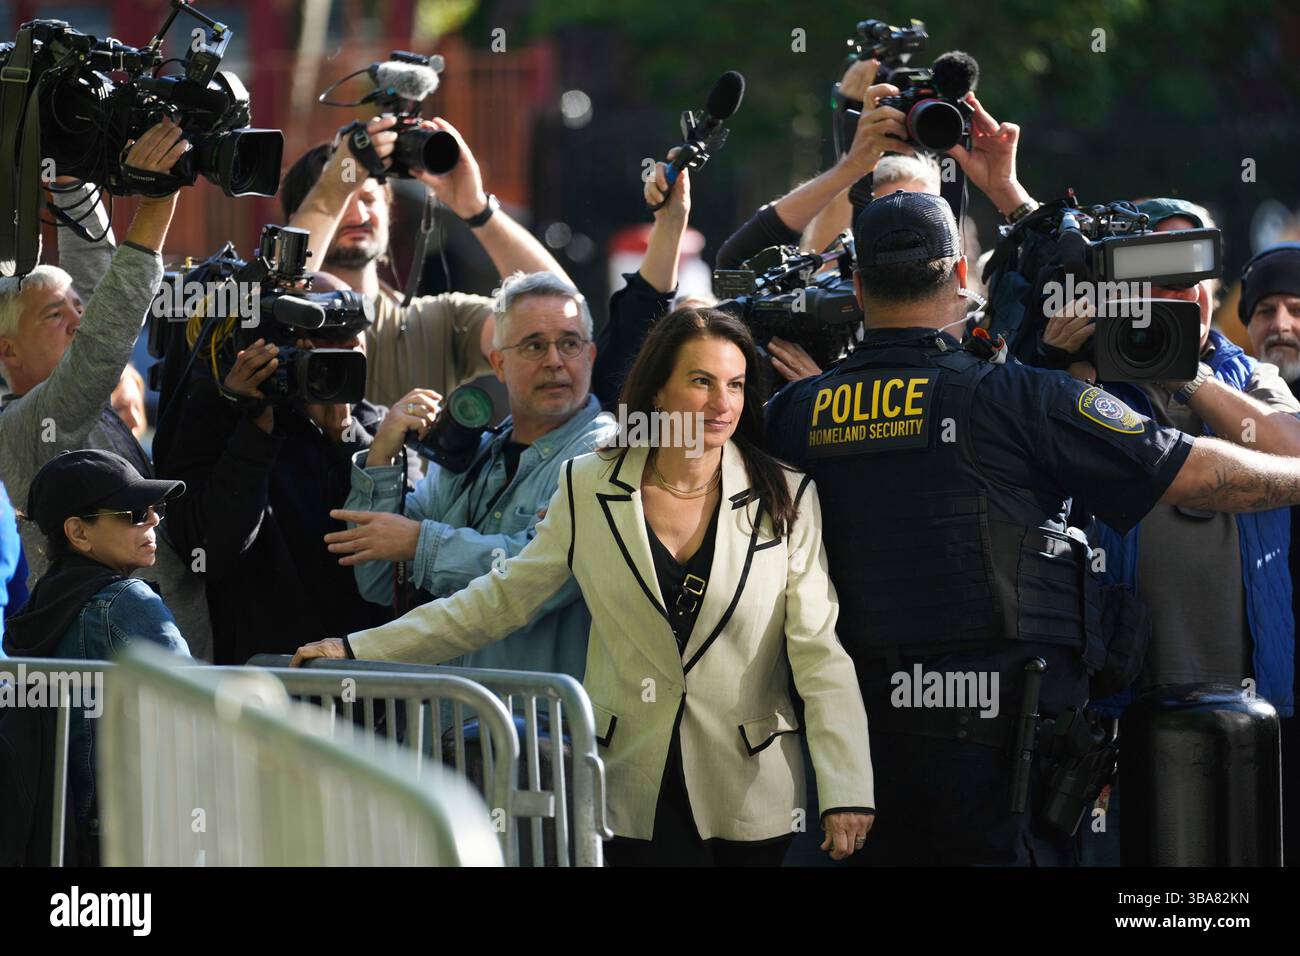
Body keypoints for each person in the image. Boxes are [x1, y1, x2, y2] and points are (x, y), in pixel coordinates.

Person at [764, 190, 1300, 866]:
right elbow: (1201, 475)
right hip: (1000, 777)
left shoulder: (789, 414)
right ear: (961, 276)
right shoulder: (1017, 399)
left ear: (860, 285)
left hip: (848, 772)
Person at [297, 308, 875, 866]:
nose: (722, 404)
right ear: (659, 392)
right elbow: (495, 603)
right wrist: (356, 649)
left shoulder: (789, 495)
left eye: (736, 384)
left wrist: (847, 787)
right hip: (628, 786)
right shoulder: (589, 484)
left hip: (753, 790)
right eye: (701, 381)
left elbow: (819, 650)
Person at [1041, 200, 1300, 862]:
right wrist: (1056, 361)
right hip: (1117, 718)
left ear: (1214, 295)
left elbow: (1292, 450)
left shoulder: (1249, 378)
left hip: (1247, 709)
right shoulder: (1090, 377)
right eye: (1160, 282)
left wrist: (1192, 376)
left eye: (1192, 283)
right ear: (1124, 290)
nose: (1177, 296)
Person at [327, 271, 615, 685]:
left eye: (569, 343)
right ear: (499, 363)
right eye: (534, 345)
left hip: (540, 740)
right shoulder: (470, 456)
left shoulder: (606, 453)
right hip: (444, 738)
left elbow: (542, 573)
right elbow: (376, 581)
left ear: (589, 356)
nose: (555, 361)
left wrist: (419, 543)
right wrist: (383, 451)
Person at [0, 119, 212, 659]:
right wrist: (156, 206)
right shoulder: (21, 424)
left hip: (174, 686)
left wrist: (73, 172)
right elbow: (102, 343)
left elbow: (98, 299)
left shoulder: (67, 397)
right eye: (54, 314)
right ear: (7, 351)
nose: (77, 319)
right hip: (117, 711)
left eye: (77, 310)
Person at [157, 271, 419, 665]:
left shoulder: (385, 432)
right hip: (264, 690)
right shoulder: (220, 421)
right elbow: (209, 552)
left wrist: (342, 437)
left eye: (351, 345)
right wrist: (255, 430)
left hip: (368, 688)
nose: (335, 361)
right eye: (318, 346)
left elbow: (397, 560)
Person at [281, 116, 571, 408]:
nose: (359, 216)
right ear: (295, 221)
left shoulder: (440, 321)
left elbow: (565, 311)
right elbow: (279, 296)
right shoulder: (281, 316)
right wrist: (332, 189)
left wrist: (475, 207)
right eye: (343, 203)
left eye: (368, 200)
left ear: (389, 209)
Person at [1, 449, 190, 863]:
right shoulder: (127, 600)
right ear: (78, 533)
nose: (154, 520)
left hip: (62, 839)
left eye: (154, 508)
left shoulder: (39, 606)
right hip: (132, 840)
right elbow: (197, 711)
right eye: (133, 512)